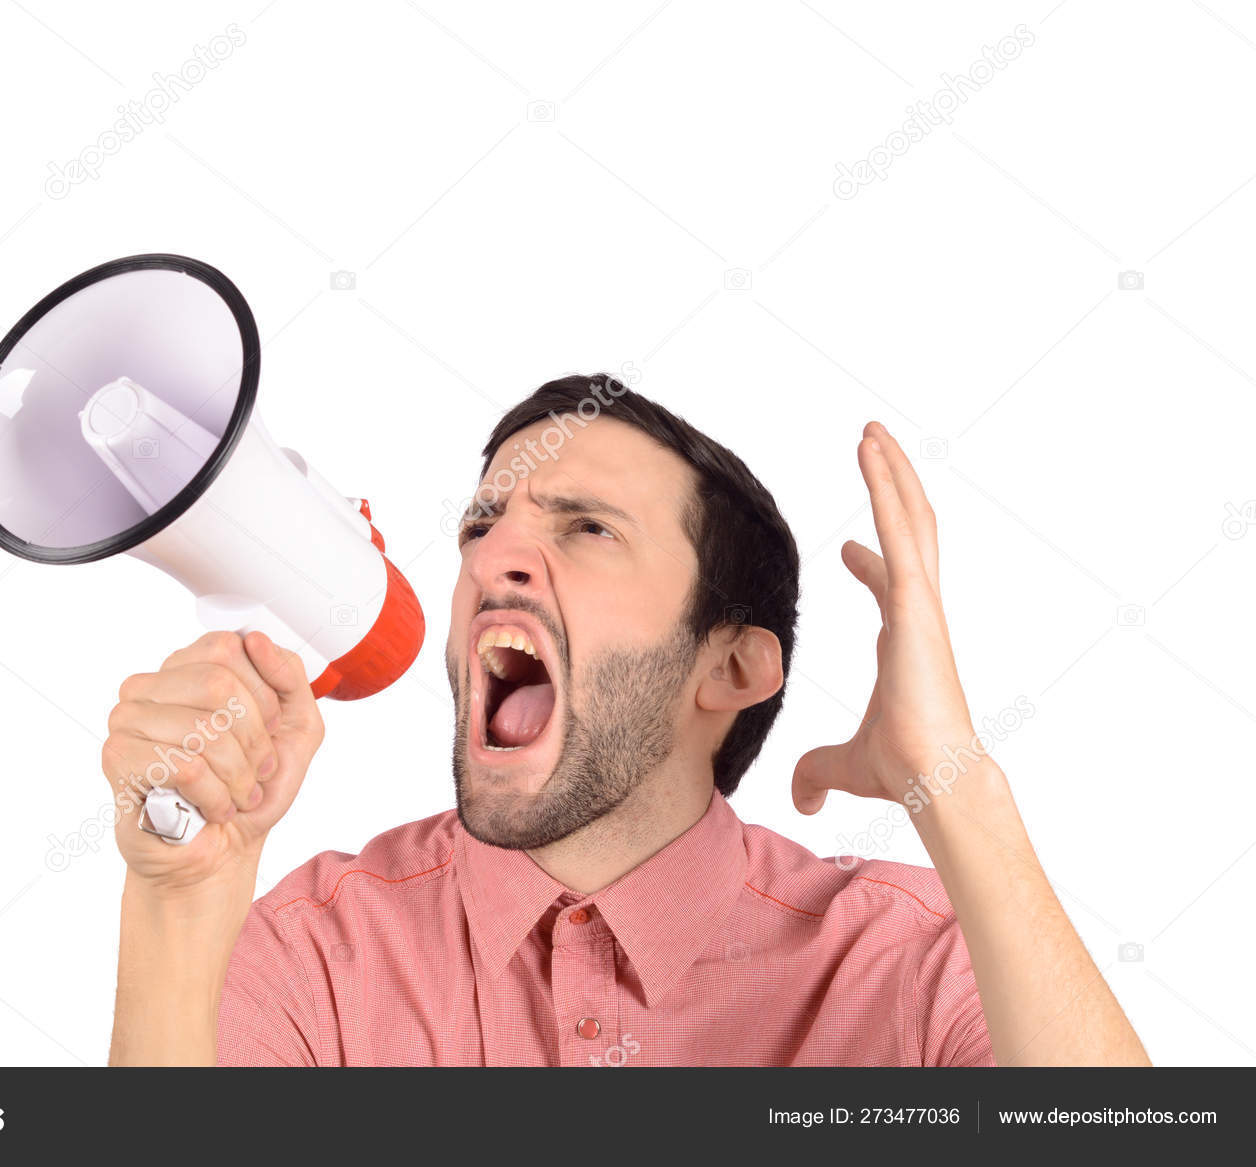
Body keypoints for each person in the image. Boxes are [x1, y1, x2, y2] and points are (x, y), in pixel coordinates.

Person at [101, 373, 1148, 1067]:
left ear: (730, 665)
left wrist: (952, 779)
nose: (489, 557)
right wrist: (179, 895)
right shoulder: (323, 949)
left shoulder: (906, 962)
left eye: (586, 529)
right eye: (481, 523)